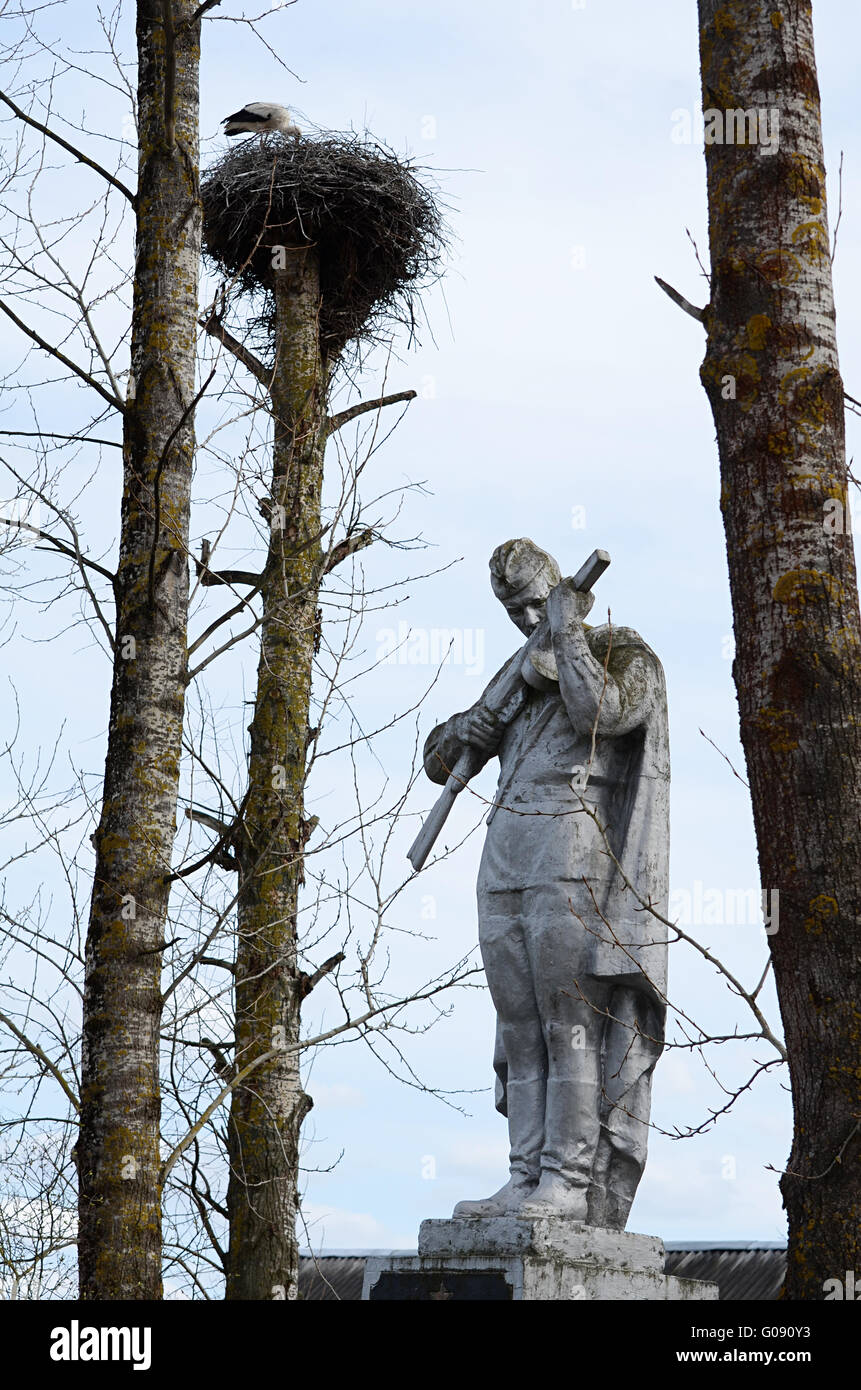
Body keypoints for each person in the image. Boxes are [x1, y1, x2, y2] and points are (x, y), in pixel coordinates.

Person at [422, 539, 670, 1227]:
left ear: (560, 590)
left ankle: (567, 1179)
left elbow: (607, 715)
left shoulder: (620, 648)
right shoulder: (516, 667)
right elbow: (441, 758)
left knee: (571, 1021)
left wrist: (565, 632)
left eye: (536, 601)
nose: (526, 615)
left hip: (573, 840)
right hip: (505, 847)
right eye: (514, 608)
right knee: (519, 1024)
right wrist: (458, 730)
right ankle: (523, 1173)